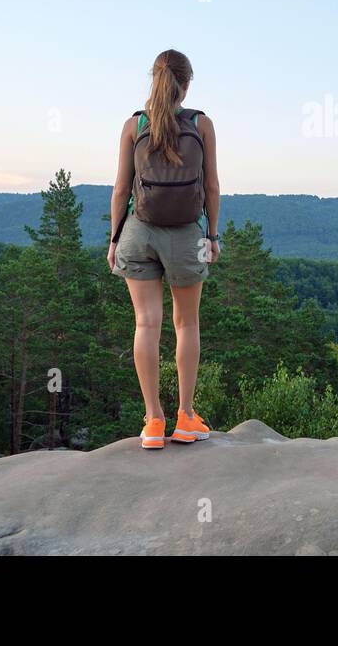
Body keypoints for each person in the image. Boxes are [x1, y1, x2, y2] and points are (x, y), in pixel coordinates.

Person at [108, 49, 221, 449]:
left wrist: (115, 237)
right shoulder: (201, 124)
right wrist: (213, 235)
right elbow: (211, 187)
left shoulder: (134, 125)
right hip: (187, 235)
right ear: (186, 85)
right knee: (186, 324)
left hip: (139, 233)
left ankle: (153, 422)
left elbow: (122, 189)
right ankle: (186, 417)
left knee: (146, 325)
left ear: (153, 80)